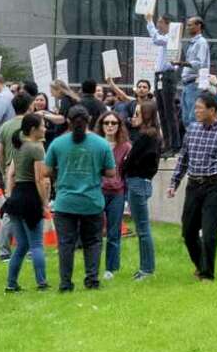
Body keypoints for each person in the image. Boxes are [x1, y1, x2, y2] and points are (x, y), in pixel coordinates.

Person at [168, 92, 217, 278]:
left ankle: (207, 274)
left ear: (212, 110)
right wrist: (174, 183)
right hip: (194, 185)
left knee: (209, 232)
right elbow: (183, 159)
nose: (196, 111)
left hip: (215, 186)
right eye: (195, 108)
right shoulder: (192, 130)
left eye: (199, 108)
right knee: (188, 231)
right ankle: (200, 263)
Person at [43, 109, 114, 291]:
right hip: (92, 201)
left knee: (66, 244)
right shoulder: (101, 144)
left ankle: (65, 283)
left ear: (67, 121)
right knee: (93, 242)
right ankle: (92, 280)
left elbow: (46, 171)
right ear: (90, 119)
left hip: (65, 202)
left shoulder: (58, 144)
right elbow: (111, 172)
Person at [1, 113, 51, 292]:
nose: (45, 128)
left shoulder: (18, 145)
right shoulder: (37, 148)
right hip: (30, 197)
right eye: (43, 125)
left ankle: (11, 283)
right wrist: (44, 202)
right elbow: (40, 179)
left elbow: (12, 174)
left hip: (16, 198)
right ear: (33, 129)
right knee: (37, 244)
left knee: (21, 245)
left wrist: (8, 193)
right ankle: (42, 282)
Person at [120, 101, 161, 280]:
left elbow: (132, 160)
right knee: (142, 228)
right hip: (141, 182)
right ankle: (146, 267)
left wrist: (125, 166)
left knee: (142, 228)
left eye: (138, 113)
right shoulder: (151, 135)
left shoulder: (146, 136)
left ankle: (147, 269)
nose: (135, 117)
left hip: (137, 182)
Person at [96, 111, 131, 278]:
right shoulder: (95, 144)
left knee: (113, 232)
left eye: (113, 123)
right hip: (97, 191)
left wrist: (126, 195)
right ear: (101, 125)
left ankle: (111, 268)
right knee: (95, 230)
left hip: (117, 192)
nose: (110, 126)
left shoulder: (126, 147)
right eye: (106, 123)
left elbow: (127, 172)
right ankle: (93, 266)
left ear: (119, 126)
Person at [145, 13, 182, 154]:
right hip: (160, 76)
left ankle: (174, 144)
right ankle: (167, 144)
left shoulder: (171, 38)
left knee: (169, 111)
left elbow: (156, 39)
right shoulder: (166, 40)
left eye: (160, 22)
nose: (158, 24)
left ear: (168, 24)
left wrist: (149, 22)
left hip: (167, 76)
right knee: (162, 111)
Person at [179, 16, 211, 136]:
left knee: (193, 117)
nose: (188, 27)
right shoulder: (192, 43)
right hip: (187, 84)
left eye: (190, 25)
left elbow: (200, 63)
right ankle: (190, 144)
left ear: (199, 26)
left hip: (195, 83)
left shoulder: (201, 42)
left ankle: (194, 142)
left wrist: (183, 63)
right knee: (186, 117)